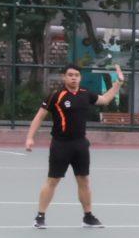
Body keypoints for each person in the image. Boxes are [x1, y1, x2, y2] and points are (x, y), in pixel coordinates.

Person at [25, 63, 125, 228]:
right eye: (70, 75)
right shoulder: (56, 96)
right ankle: (40, 216)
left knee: (84, 180)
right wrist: (30, 137)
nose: (73, 78)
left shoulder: (85, 94)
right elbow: (39, 117)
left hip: (80, 145)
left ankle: (88, 217)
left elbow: (105, 99)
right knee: (53, 180)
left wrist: (118, 83)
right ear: (64, 77)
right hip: (60, 145)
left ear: (80, 77)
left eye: (76, 75)